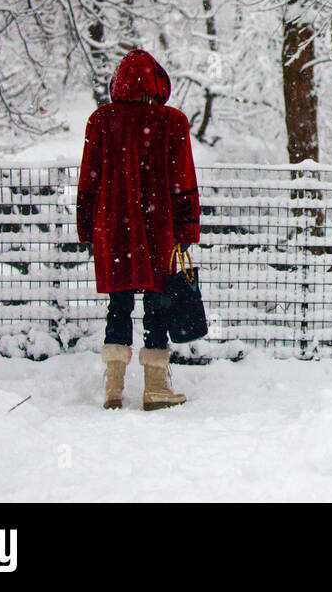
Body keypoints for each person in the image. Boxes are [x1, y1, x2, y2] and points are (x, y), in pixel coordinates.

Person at [76, 49, 200, 410]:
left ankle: (113, 386)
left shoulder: (101, 120)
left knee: (119, 301)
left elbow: (89, 178)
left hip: (113, 227)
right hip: (157, 227)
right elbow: (183, 181)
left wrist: (87, 226)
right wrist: (186, 228)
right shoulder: (172, 122)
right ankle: (156, 386)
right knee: (158, 302)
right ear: (157, 82)